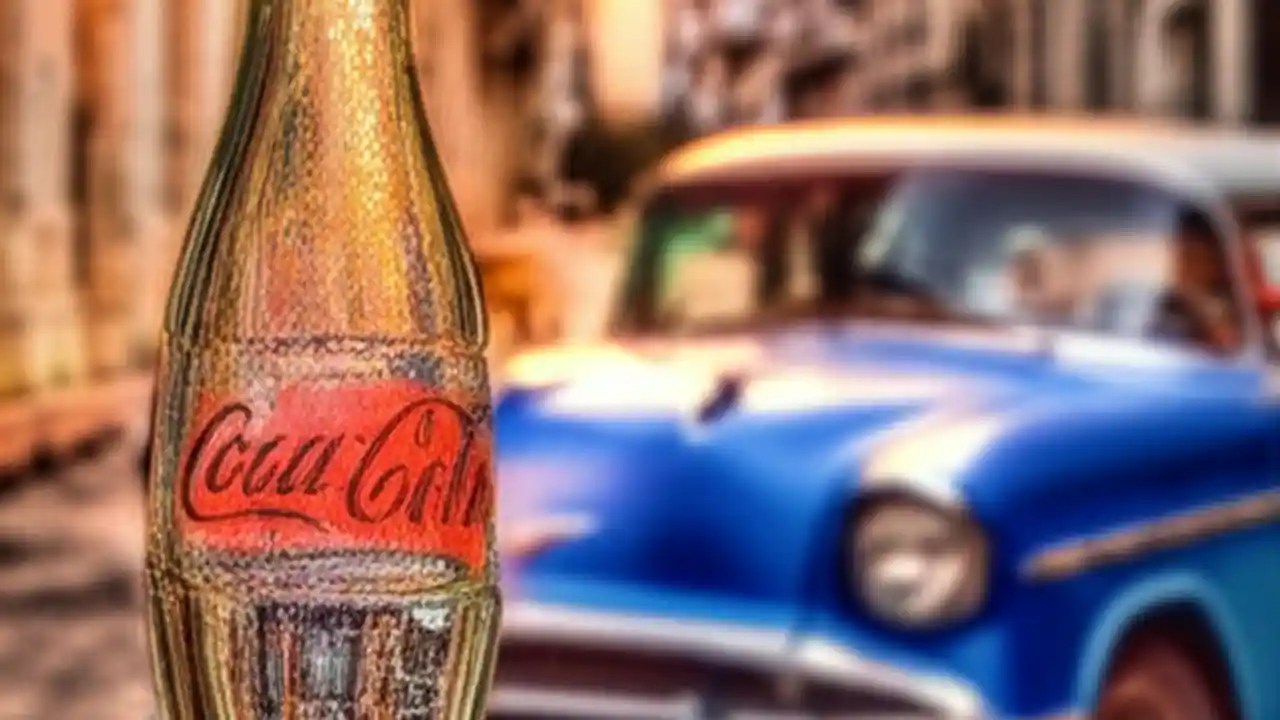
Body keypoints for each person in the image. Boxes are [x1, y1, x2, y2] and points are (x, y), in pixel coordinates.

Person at [1152, 214, 1242, 353]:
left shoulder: (1235, 304)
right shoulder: (1160, 301)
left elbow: (1230, 348)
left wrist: (1199, 303)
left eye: (1197, 258)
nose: (1187, 266)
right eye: (1183, 256)